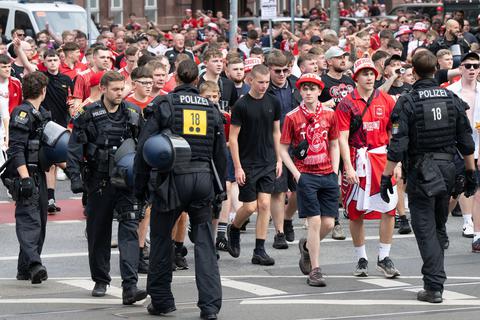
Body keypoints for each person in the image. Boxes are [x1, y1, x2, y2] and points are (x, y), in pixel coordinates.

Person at [381, 50, 477, 303]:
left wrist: (386, 175)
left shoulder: (408, 101)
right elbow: (466, 141)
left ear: (413, 72)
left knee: (424, 229)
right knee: (436, 224)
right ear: (436, 70)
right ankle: (440, 244)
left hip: (422, 172)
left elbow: (397, 144)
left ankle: (434, 285)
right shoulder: (451, 98)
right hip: (448, 171)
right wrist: (470, 172)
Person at [134, 59, 226, 319]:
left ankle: (162, 300)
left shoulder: (165, 104)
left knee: (162, 240)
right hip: (203, 179)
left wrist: (140, 187)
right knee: (205, 245)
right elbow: (220, 154)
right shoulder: (210, 107)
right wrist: (220, 193)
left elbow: (144, 148)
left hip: (171, 180)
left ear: (175, 77)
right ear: (197, 80)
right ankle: (209, 307)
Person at [66, 71, 147, 305]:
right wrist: (75, 178)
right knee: (98, 233)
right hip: (99, 182)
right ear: (103, 89)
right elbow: (73, 148)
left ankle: (130, 286)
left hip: (127, 182)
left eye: (122, 88)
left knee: (130, 230)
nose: (120, 93)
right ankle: (101, 279)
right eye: (115, 89)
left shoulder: (133, 113)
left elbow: (143, 147)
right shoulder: (88, 114)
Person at [336, 58, 401, 278]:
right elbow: (342, 138)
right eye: (364, 73)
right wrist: (348, 166)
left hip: (383, 159)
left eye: (372, 73)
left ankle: (384, 257)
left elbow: (395, 132)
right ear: (356, 77)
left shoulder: (386, 99)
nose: (370, 77)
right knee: (356, 212)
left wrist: (398, 162)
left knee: (389, 209)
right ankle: (361, 258)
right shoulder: (346, 103)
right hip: (358, 159)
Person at [280, 73, 340, 286]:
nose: (308, 92)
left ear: (318, 91)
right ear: (300, 91)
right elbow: (283, 148)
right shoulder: (292, 117)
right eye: (304, 88)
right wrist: (296, 173)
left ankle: (306, 248)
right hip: (306, 175)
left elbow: (334, 143)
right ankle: (315, 270)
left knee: (329, 223)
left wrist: (335, 171)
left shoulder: (330, 114)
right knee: (313, 222)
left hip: (327, 173)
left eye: (312, 88)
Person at [227, 64, 282, 265]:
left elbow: (276, 132)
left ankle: (259, 249)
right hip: (248, 162)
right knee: (250, 207)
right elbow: (233, 138)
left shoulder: (273, 102)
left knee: (265, 204)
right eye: (260, 82)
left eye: (267, 82)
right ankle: (234, 228)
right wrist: (238, 166)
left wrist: (279, 159)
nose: (264, 86)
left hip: (267, 160)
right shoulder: (242, 105)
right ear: (251, 80)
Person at [2, 72, 51, 283]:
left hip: (38, 173)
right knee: (29, 221)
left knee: (40, 221)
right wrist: (25, 178)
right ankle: (34, 264)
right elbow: (16, 149)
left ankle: (25, 269)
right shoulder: (22, 114)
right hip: (26, 174)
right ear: (43, 91)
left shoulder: (41, 113)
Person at [447, 52, 480, 243]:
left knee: (476, 189)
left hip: (477, 146)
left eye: (475, 66)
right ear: (460, 69)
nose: (472, 69)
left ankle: (475, 231)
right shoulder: (451, 91)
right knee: (457, 188)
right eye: (468, 66)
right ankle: (458, 220)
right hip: (456, 147)